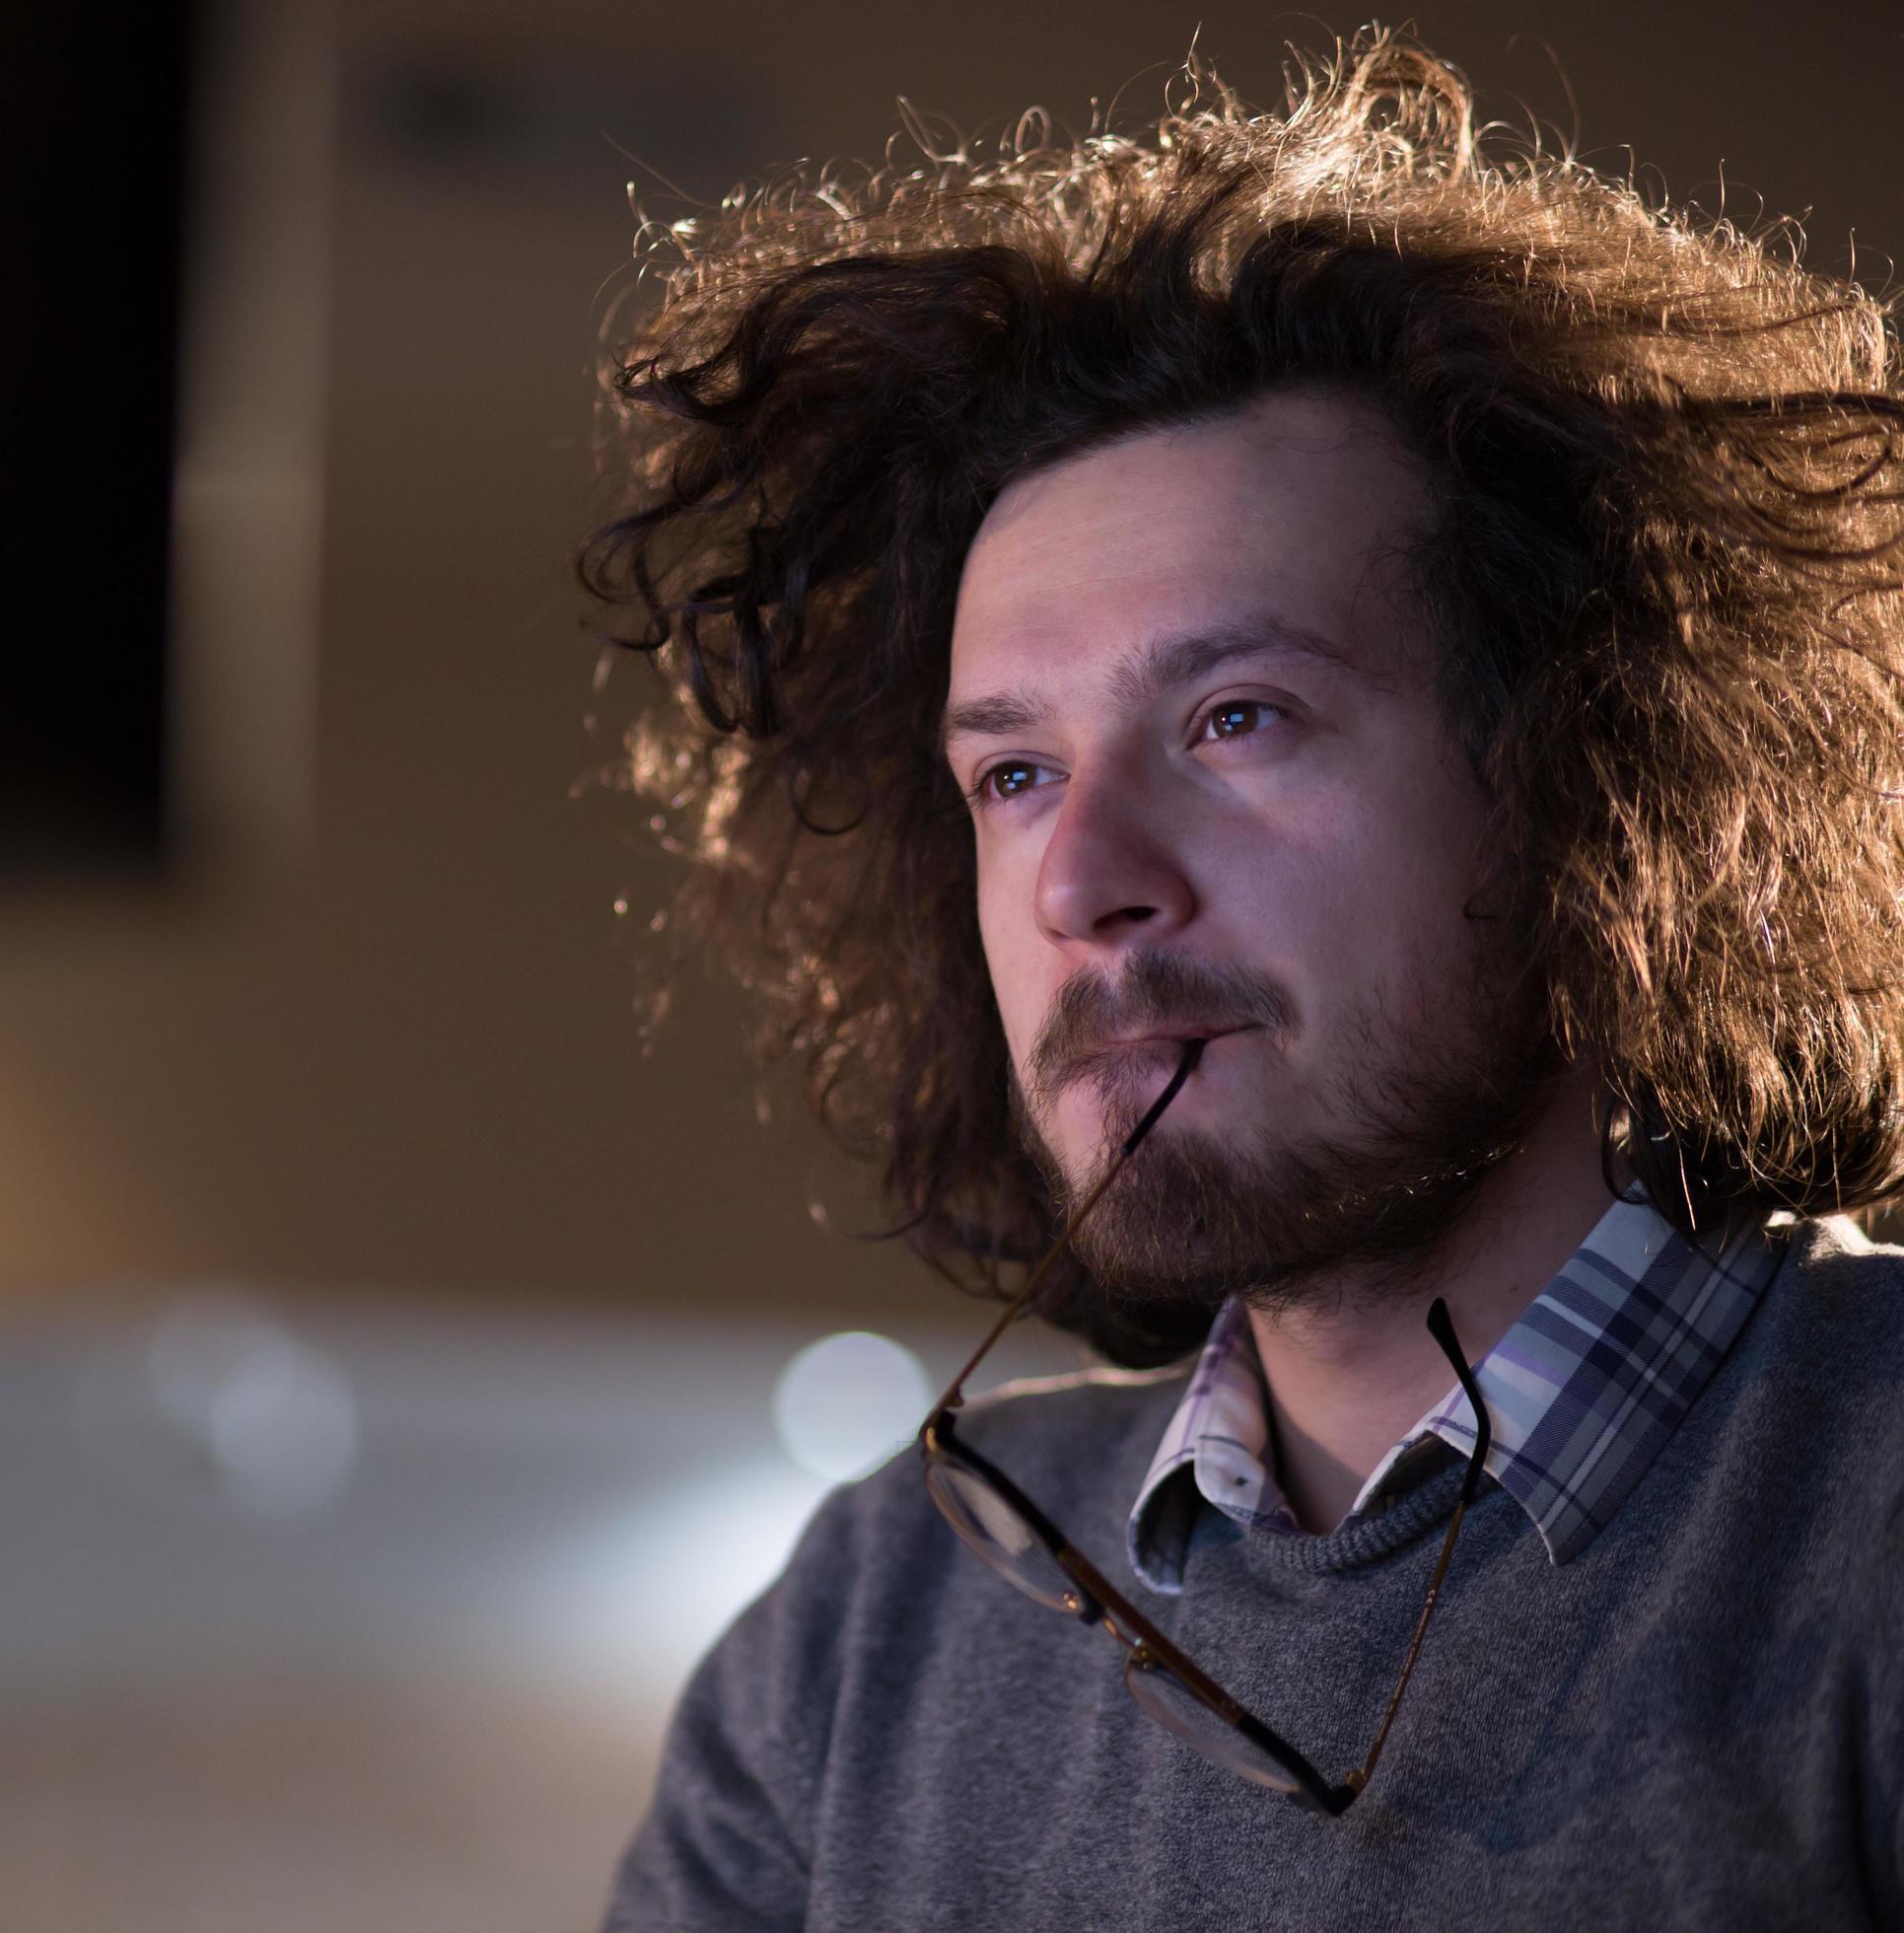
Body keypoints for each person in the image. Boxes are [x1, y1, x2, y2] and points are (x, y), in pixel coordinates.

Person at [579, 27, 1904, 1929]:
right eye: (1014, 774)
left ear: (1595, 776)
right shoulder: (869, 1643)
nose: (1085, 885)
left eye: (1236, 718)